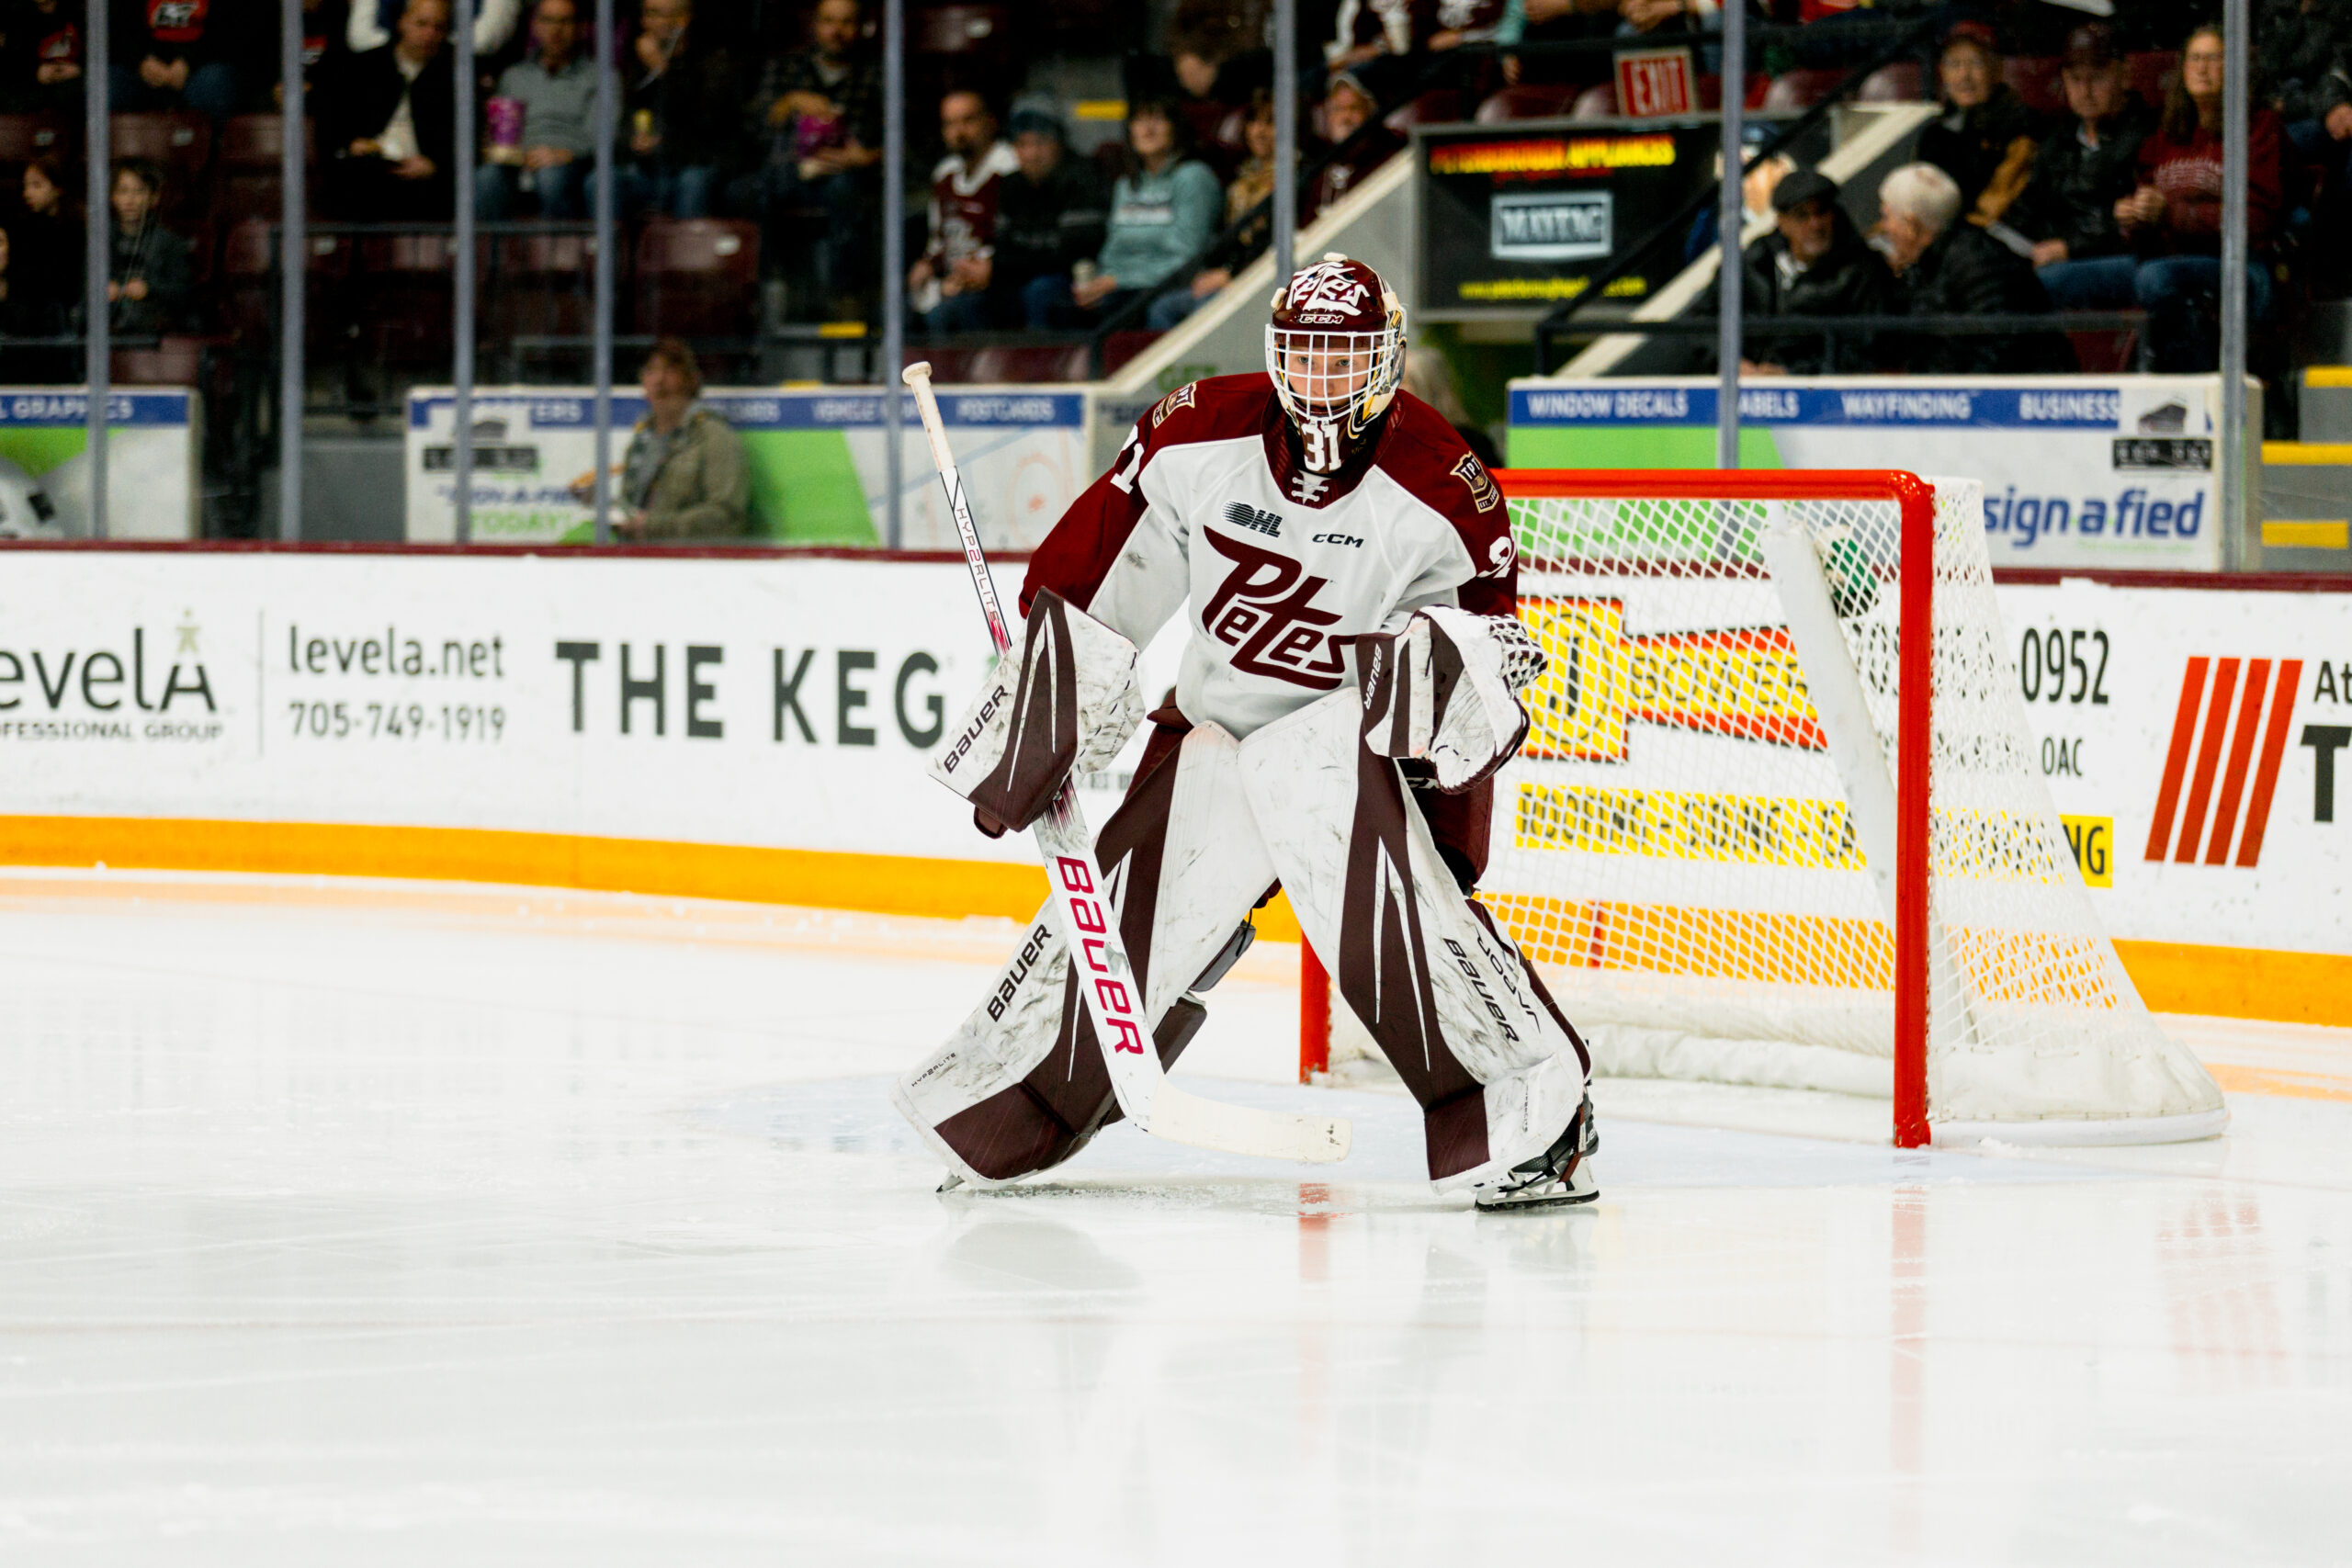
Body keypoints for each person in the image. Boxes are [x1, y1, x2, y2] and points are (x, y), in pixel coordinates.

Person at [896, 254, 1599, 1213]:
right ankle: (1007, 1111)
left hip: (1342, 743)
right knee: (1112, 927)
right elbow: (1105, 569)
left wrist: (1441, 810)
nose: (1318, 382)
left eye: (1341, 359)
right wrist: (1053, 691)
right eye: (1302, 357)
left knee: (1398, 940)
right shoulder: (1196, 431)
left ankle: (1538, 1121)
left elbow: (1476, 658)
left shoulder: (1446, 487)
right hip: (1214, 726)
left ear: (1386, 362)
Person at [2018, 25, 2281, 371]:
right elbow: (2146, 217)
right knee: (2044, 282)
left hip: (2235, 263)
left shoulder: (2260, 127)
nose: (2202, 68)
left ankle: (2206, 381)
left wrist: (2171, 215)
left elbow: (2259, 219)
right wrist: (2131, 218)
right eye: (2195, 59)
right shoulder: (2169, 133)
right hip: (2163, 256)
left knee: (2155, 278)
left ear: (2236, 67)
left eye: (2213, 59)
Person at [731, 0, 882, 319]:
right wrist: (789, 102)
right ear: (815, 24)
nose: (836, 31)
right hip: (789, 173)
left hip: (847, 176)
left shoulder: (875, 73)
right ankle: (768, 292)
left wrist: (865, 157)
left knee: (847, 191)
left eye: (846, 22)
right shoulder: (786, 69)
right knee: (750, 189)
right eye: (828, 21)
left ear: (861, 28)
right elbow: (753, 128)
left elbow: (902, 142)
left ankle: (846, 299)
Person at [1025, 98, 1219, 330]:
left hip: (1164, 286)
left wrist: (1118, 281)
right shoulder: (1126, 185)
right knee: (1045, 293)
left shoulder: (1193, 177)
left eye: (1157, 119)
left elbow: (1187, 256)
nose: (1147, 129)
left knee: (1112, 310)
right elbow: (1113, 251)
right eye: (1139, 120)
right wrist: (1097, 282)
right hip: (1118, 286)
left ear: (1175, 128)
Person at [1876, 161, 2074, 375]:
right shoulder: (1924, 265)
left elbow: (2002, 348)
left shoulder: (1976, 260)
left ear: (1911, 225)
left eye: (1887, 217)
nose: (1883, 228)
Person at [1699, 167, 1898, 375]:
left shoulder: (1863, 270)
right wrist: (1732, 363)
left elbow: (1866, 349)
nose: (1815, 224)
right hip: (1743, 389)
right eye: (1802, 215)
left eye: (1821, 212)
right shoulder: (1752, 263)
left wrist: (1791, 374)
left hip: (1818, 397)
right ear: (1781, 223)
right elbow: (1701, 321)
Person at [2012, 23, 2155, 287]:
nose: (2085, 90)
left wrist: (2070, 248)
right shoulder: (2058, 140)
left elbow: (2134, 225)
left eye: (2097, 78)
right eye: (2076, 79)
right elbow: (2029, 208)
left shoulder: (2147, 135)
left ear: (2123, 76)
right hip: (2061, 255)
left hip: (2120, 258)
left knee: (2038, 284)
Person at [571, 340, 749, 541]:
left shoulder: (714, 437)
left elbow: (727, 518)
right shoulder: (643, 437)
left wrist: (652, 525)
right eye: (650, 371)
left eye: (670, 370)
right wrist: (604, 506)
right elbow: (637, 509)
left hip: (691, 563)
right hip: (637, 559)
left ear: (692, 380)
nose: (659, 380)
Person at [318, 0, 457, 221]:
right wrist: (352, 143)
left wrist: (434, 165)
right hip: (372, 168)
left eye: (439, 27)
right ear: (402, 22)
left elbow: (464, 139)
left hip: (426, 179)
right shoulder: (364, 67)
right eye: (421, 24)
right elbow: (332, 125)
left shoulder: (454, 75)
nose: (430, 34)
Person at [984, 107, 1108, 328]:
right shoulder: (1010, 185)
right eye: (1023, 144)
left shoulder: (1082, 178)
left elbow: (1072, 254)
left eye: (1041, 142)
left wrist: (1006, 266)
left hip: (1074, 282)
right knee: (974, 299)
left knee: (1041, 290)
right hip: (1024, 276)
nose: (1032, 153)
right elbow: (1002, 248)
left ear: (1058, 144)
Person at [612, 0, 736, 220]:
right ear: (644, 20)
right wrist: (633, 143)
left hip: (692, 167)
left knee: (694, 181)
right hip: (646, 170)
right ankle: (608, 253)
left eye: (673, 15)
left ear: (687, 18)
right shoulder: (636, 68)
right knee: (601, 181)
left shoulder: (713, 62)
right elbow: (622, 128)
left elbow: (708, 124)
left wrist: (661, 68)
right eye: (655, 14)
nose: (664, 23)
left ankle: (688, 254)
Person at [907, 90, 1018, 334]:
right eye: (950, 124)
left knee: (949, 313)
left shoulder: (1009, 168)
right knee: (898, 308)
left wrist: (983, 268)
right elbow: (938, 238)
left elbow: (1013, 238)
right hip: (952, 278)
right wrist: (927, 264)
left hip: (995, 279)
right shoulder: (944, 173)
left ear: (990, 122)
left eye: (968, 121)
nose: (959, 132)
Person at [1914, 22, 2045, 227]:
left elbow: (1994, 206)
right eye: (1954, 65)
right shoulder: (1936, 133)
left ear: (1997, 68)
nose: (1964, 76)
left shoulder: (2021, 125)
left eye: (1976, 64)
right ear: (1942, 71)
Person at [474, 0, 595, 220]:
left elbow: (599, 136)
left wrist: (564, 154)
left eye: (564, 21)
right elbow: (500, 135)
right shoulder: (514, 75)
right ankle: (489, 254)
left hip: (572, 163)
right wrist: (512, 153)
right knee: (486, 178)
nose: (555, 29)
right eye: (548, 20)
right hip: (520, 162)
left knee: (551, 178)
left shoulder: (599, 77)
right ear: (535, 26)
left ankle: (558, 253)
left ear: (581, 28)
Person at [108, 0, 244, 121]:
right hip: (143, 72)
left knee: (215, 82)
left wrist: (188, 63)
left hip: (199, 72)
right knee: (107, 84)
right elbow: (120, 31)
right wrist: (141, 61)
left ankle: (209, 145)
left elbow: (230, 34)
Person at [104, 159, 193, 338]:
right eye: (123, 191)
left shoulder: (170, 242)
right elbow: (84, 290)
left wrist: (150, 289)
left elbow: (183, 292)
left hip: (155, 331)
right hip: (109, 330)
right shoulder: (100, 241)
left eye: (139, 191)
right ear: (113, 197)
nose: (130, 200)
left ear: (154, 197)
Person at [1306, 72, 1401, 223]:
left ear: (1369, 112)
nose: (1345, 117)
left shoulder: (1385, 159)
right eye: (1338, 109)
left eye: (1354, 108)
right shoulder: (1318, 162)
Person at [0, 0, 86, 115]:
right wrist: (36, 72)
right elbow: (11, 64)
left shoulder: (81, 12)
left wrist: (79, 69)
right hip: (33, 91)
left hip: (78, 86)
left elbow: (107, 57)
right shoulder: (16, 16)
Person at [347, 0, 519, 57]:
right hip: (387, 67)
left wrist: (428, 40)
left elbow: (483, 41)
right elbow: (361, 37)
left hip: (459, 78)